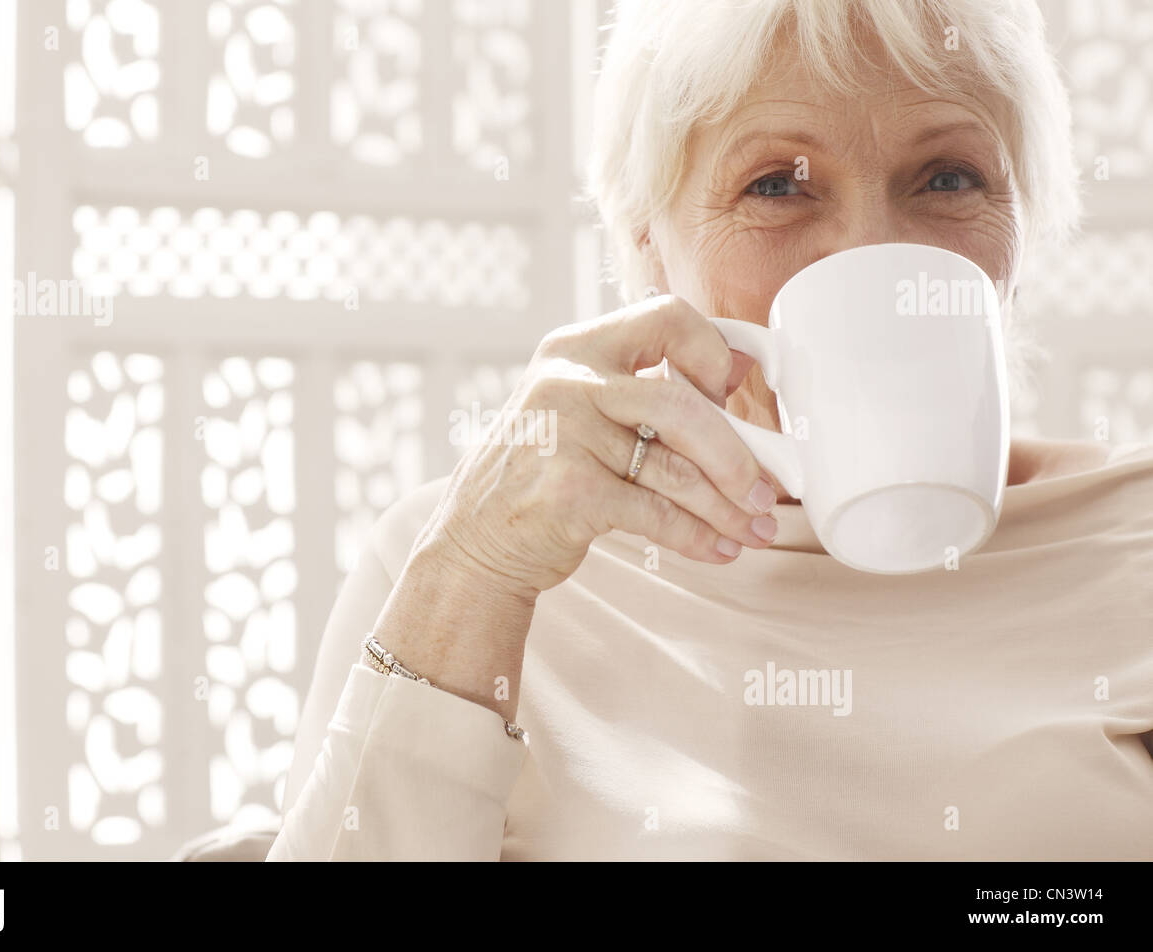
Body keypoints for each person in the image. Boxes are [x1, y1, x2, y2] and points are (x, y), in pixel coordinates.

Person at [266, 0, 1153, 860]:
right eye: (776, 186)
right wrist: (476, 566)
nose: (869, 251)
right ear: (650, 246)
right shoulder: (483, 569)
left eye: (950, 178)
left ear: (1025, 227)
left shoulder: (1135, 538)